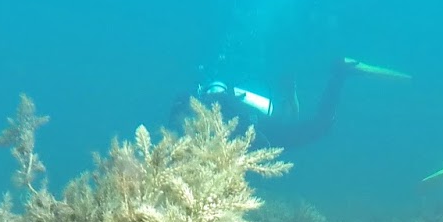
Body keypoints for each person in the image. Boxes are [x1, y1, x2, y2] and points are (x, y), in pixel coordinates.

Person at [175, 56, 408, 150]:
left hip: (273, 135)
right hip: (271, 130)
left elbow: (267, 122)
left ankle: (339, 73)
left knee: (322, 124)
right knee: (316, 123)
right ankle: (337, 74)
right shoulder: (220, 106)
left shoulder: (213, 113)